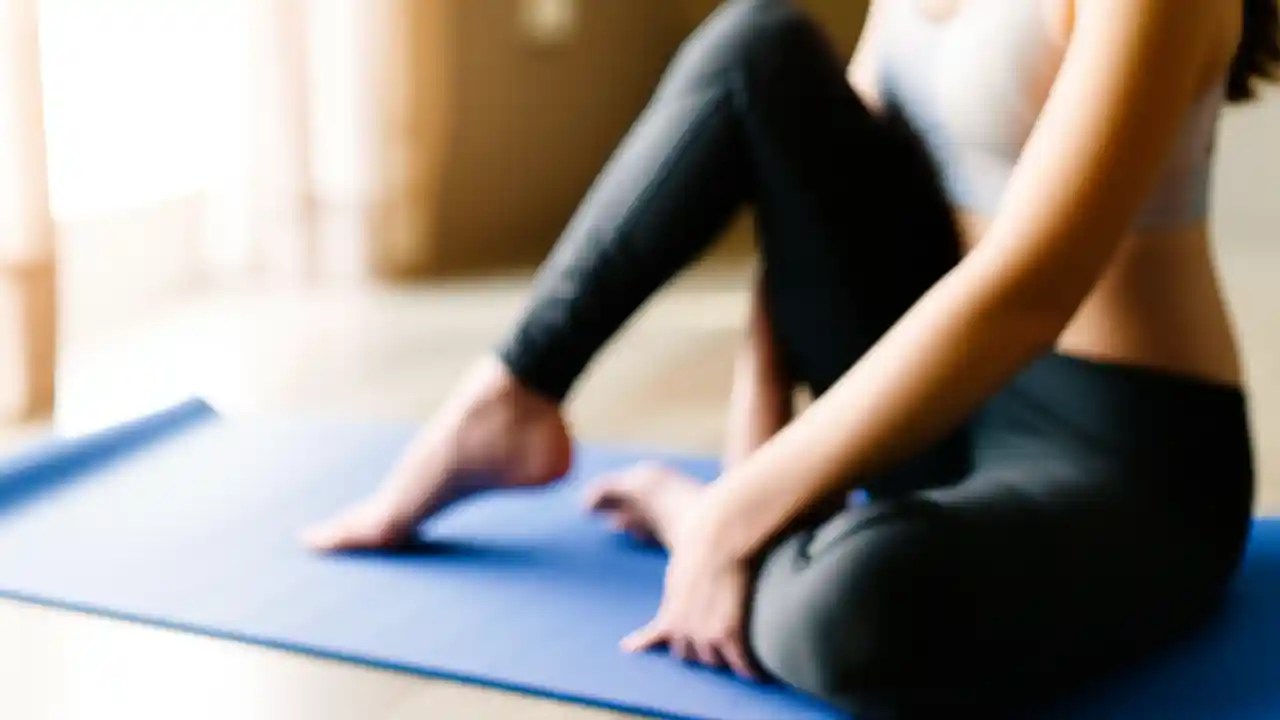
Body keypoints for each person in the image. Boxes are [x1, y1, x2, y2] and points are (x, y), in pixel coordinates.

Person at [303, 0, 1278, 714]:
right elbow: (824, 190)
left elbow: (1028, 289)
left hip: (1119, 449)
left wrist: (724, 515)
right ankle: (505, 398)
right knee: (756, 47)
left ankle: (730, 538)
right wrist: (753, 465)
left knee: (859, 609)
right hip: (927, 399)